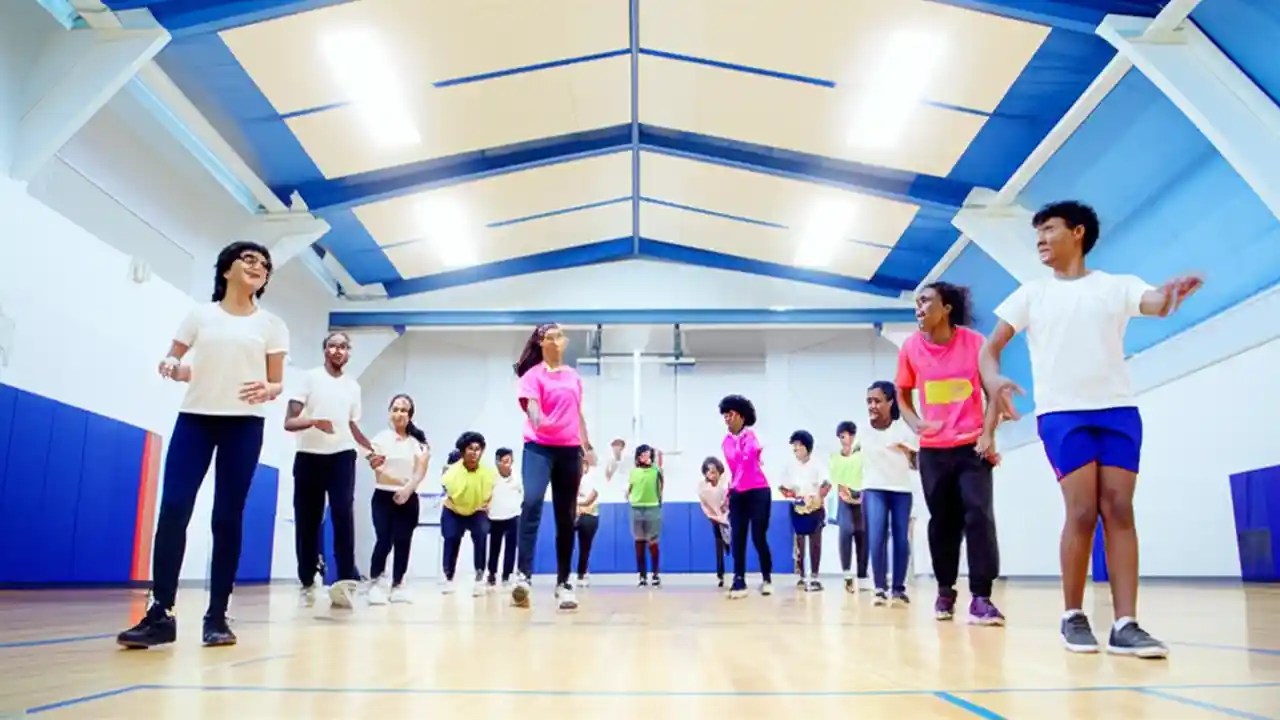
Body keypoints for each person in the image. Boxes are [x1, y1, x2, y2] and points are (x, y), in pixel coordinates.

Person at [980, 200, 1203, 658]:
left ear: (1078, 232)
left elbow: (1154, 304)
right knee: (1081, 511)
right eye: (1037, 232)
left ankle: (1125, 624)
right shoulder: (1031, 294)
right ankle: (1073, 615)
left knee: (1119, 508)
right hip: (1063, 414)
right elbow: (990, 349)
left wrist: (1169, 295)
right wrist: (994, 380)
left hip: (1118, 411)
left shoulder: (1116, 286)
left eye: (1049, 229)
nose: (1041, 239)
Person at [117, 241, 288, 649]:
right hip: (195, 420)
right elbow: (175, 360)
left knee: (227, 517)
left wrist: (268, 389)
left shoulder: (271, 325)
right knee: (174, 508)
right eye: (249, 260)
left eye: (265, 265)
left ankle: (217, 616)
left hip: (244, 425)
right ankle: (161, 613)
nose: (259, 267)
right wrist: (172, 366)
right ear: (227, 269)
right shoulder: (200, 315)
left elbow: (277, 382)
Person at [896, 282, 1005, 626]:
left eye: (926, 301)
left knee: (978, 515)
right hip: (933, 451)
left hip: (972, 447)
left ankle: (982, 597)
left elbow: (993, 392)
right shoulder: (910, 348)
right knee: (943, 522)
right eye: (916, 303)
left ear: (946, 308)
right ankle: (945, 590)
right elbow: (902, 393)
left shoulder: (975, 343)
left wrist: (988, 434)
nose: (919, 308)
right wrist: (915, 422)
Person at [283, 330, 379, 610]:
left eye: (343, 346)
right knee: (308, 521)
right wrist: (314, 422)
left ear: (348, 353)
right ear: (325, 350)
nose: (338, 350)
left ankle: (345, 582)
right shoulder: (309, 378)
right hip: (309, 457)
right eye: (333, 346)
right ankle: (307, 581)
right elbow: (289, 422)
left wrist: (370, 450)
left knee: (342, 515)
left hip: (342, 457)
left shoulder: (353, 387)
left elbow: (351, 425)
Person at [512, 322, 593, 611]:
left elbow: (578, 414)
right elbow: (532, 406)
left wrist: (588, 446)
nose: (556, 341)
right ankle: (523, 576)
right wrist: (540, 421)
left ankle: (564, 583)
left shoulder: (574, 377)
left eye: (559, 336)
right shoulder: (532, 375)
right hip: (539, 448)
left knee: (566, 515)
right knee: (532, 501)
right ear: (541, 343)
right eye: (550, 337)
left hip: (569, 451)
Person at [366, 394, 430, 606]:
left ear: (410, 415)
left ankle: (398, 584)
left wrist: (407, 489)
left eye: (404, 410)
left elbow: (420, 471)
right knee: (384, 539)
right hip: (384, 495)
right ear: (389, 413)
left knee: (403, 541)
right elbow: (377, 467)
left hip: (409, 498)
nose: (399, 413)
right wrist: (398, 484)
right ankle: (376, 582)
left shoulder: (418, 444)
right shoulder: (379, 439)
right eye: (395, 409)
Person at [861, 381, 918, 607]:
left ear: (890, 402)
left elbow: (917, 465)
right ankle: (879, 588)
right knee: (876, 536)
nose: (872, 406)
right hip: (874, 488)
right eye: (869, 401)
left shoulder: (903, 430)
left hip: (901, 490)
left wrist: (906, 450)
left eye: (877, 401)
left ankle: (898, 589)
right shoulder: (863, 431)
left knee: (901, 538)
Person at [719, 394, 774, 599]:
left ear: (742, 416)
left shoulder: (752, 437)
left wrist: (733, 486)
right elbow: (734, 468)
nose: (727, 419)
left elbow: (747, 461)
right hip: (738, 493)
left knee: (759, 536)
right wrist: (730, 492)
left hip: (758, 491)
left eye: (731, 414)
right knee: (738, 537)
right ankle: (739, 579)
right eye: (725, 415)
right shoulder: (726, 442)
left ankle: (767, 578)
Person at [440, 432, 494, 598]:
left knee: (481, 536)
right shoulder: (452, 472)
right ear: (463, 451)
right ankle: (448, 577)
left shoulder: (487, 472)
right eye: (470, 449)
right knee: (451, 539)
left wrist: (485, 505)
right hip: (453, 509)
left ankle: (479, 578)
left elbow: (489, 493)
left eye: (478, 449)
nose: (474, 453)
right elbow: (451, 492)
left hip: (476, 510)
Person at [779, 430, 830, 592]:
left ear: (807, 447)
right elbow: (783, 487)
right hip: (798, 508)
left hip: (815, 508)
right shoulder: (790, 466)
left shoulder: (818, 464)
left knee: (815, 543)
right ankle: (801, 576)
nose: (795, 449)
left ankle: (814, 577)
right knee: (799, 543)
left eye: (799, 446)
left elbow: (826, 484)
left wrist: (818, 497)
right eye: (794, 446)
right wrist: (792, 495)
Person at [830, 421, 867, 593]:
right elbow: (835, 478)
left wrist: (861, 496)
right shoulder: (835, 457)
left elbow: (867, 475)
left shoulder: (862, 455)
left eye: (849, 435)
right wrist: (844, 493)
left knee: (862, 535)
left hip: (862, 497)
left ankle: (863, 576)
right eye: (842, 436)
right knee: (845, 532)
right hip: (844, 497)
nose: (846, 439)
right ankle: (847, 575)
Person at [629, 444, 664, 587]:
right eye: (642, 454)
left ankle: (655, 574)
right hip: (636, 508)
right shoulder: (634, 472)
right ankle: (642, 576)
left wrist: (655, 460)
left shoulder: (656, 470)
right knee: (639, 542)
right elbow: (630, 487)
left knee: (653, 542)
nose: (645, 456)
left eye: (647, 454)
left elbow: (661, 484)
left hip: (652, 507)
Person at [486, 447, 521, 589]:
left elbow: (522, 493)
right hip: (495, 517)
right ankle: (492, 574)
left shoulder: (517, 475)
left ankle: (507, 575)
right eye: (505, 461)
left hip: (513, 515)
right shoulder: (491, 476)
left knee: (511, 548)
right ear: (497, 462)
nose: (508, 465)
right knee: (494, 547)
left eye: (510, 461)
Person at [698, 457, 731, 587]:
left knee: (731, 542)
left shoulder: (725, 483)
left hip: (729, 516)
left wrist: (726, 512)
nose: (712, 474)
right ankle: (720, 574)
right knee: (719, 543)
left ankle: (737, 572)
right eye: (709, 471)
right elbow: (705, 505)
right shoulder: (703, 488)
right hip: (715, 518)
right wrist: (713, 517)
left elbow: (730, 499)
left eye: (714, 471)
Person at [574, 447, 602, 587]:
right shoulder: (571, 479)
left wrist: (578, 503)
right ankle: (565, 576)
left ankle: (582, 573)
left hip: (589, 516)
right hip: (574, 515)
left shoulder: (593, 478)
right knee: (566, 544)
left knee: (585, 547)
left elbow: (591, 498)